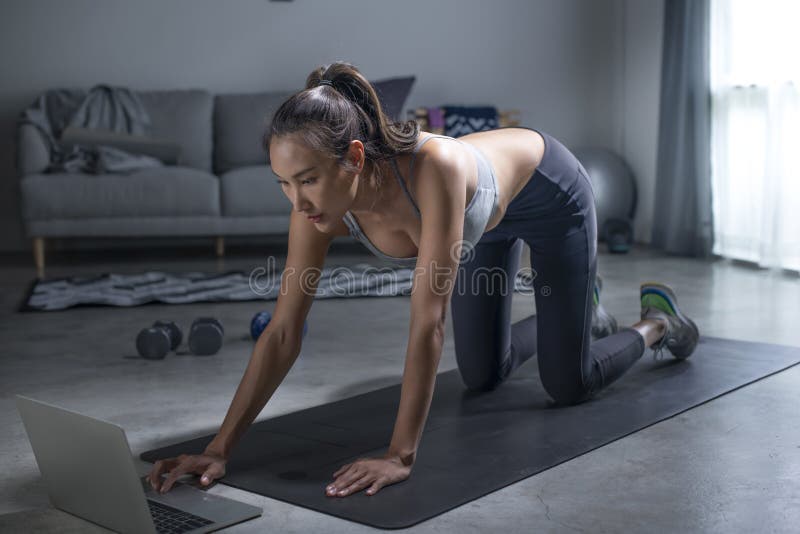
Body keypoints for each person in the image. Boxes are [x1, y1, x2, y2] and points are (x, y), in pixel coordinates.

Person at [148, 62, 699, 499]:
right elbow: (284, 331)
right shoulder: (315, 208)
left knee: (568, 384)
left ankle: (655, 322)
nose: (296, 201)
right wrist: (221, 447)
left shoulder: (434, 172)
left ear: (354, 158)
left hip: (553, 196)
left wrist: (399, 454)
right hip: (484, 223)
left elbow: (427, 323)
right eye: (283, 183)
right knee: (483, 375)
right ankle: (585, 317)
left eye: (308, 180)